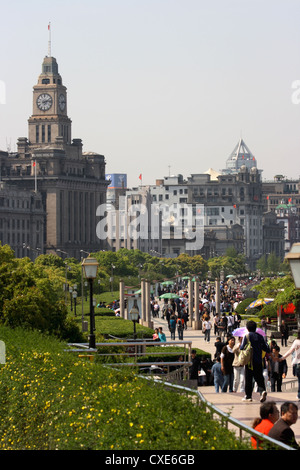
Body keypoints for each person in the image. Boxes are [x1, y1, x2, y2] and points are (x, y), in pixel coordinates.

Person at [240, 320, 270, 402]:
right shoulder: (260, 337)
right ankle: (262, 391)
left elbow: (241, 348)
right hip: (259, 360)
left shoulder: (246, 336)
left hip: (250, 361)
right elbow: (266, 348)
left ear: (247, 328)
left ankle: (248, 396)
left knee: (248, 378)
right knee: (259, 377)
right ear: (255, 328)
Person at [279, 329, 300, 401]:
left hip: (298, 363)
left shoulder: (296, 342)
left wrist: (282, 358)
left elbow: (290, 351)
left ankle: (299, 394)